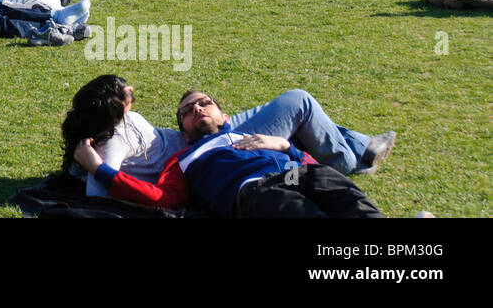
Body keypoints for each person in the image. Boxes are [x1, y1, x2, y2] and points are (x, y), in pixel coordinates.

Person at [60, 77, 394, 200]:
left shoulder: (125, 119)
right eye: (127, 94)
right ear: (114, 109)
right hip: (201, 147)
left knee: (295, 105)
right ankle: (349, 158)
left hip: (208, 132)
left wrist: (198, 110)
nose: (133, 93)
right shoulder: (109, 145)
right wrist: (95, 167)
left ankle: (355, 143)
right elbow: (98, 194)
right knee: (299, 102)